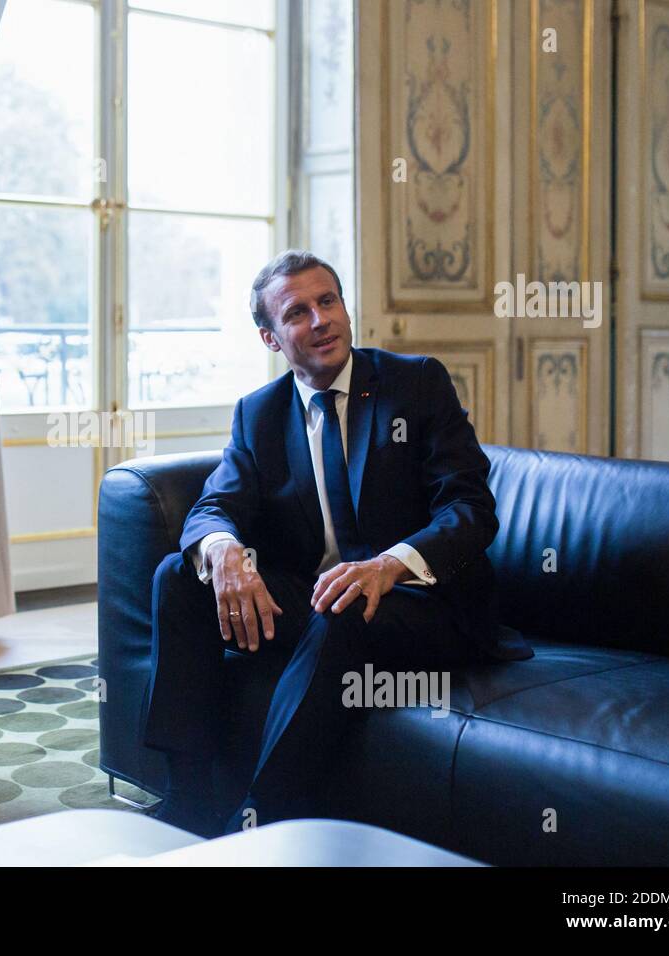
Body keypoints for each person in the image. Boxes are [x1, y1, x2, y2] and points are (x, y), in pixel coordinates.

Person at [143, 250, 534, 837]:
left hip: (426, 605)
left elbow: (470, 510)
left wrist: (389, 565)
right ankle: (187, 794)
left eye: (329, 301)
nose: (321, 320)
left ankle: (261, 822)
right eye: (297, 312)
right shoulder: (260, 414)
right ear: (271, 338)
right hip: (325, 597)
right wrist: (223, 550)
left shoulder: (415, 383)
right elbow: (215, 506)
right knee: (179, 575)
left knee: (342, 608)